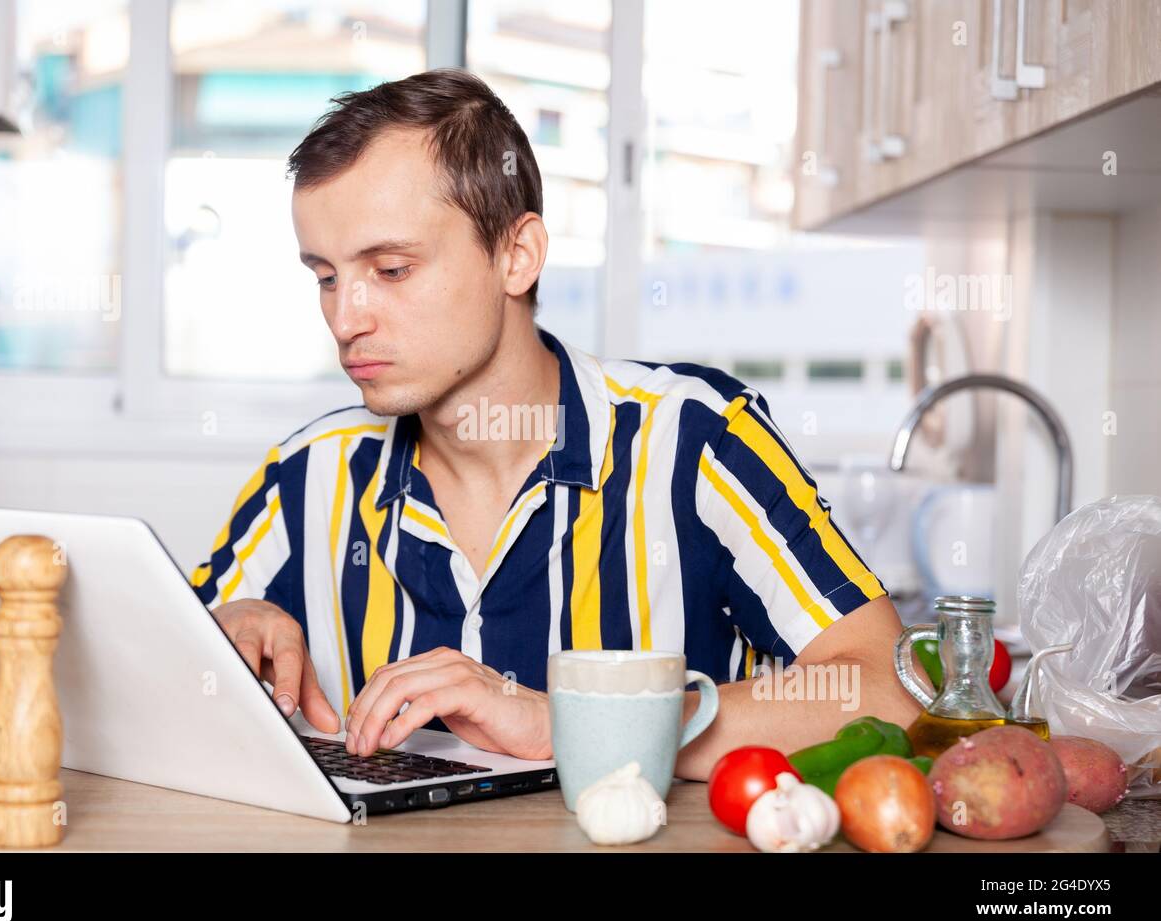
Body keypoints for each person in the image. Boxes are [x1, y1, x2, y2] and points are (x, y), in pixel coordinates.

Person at [191, 68, 919, 781]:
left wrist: (572, 721)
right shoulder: (306, 473)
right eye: (325, 276)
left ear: (517, 255)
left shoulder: (695, 440)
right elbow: (146, 677)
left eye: (390, 269)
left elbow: (893, 692)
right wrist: (223, 636)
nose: (346, 319)